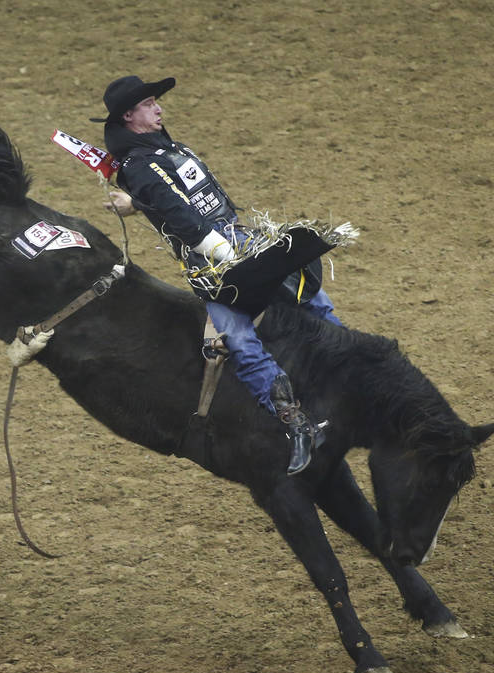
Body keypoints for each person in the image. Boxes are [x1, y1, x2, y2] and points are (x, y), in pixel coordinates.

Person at [93, 75, 339, 475]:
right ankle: (299, 422)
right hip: (218, 264)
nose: (159, 109)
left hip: (237, 245)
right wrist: (239, 261)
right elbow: (181, 219)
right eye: (150, 104)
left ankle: (344, 373)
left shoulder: (161, 151)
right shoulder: (140, 165)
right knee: (248, 333)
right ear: (129, 116)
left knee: (302, 299)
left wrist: (136, 204)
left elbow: (167, 197)